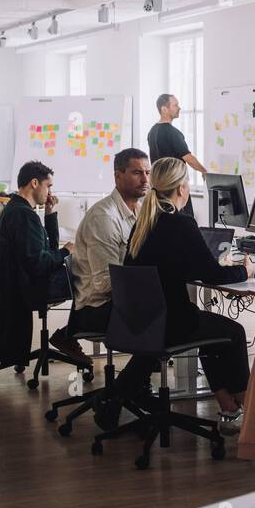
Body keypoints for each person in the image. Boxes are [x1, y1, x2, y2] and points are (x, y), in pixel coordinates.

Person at [120, 157, 251, 434]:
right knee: (234, 333)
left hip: (142, 322)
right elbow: (213, 275)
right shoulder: (181, 223)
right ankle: (248, 409)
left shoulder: (144, 223)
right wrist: (245, 271)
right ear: (181, 188)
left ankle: (229, 409)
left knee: (213, 334)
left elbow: (175, 264)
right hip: (171, 324)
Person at [0, 161, 74, 373]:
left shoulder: (15, 209)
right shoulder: (23, 215)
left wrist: (49, 214)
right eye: (49, 186)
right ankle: (68, 337)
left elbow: (47, 249)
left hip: (14, 286)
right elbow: (40, 262)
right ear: (35, 183)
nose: (50, 193)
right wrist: (67, 252)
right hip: (25, 289)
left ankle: (67, 338)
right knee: (83, 283)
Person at [57, 148, 150, 365]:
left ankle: (138, 380)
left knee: (169, 307)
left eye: (148, 172)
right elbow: (103, 283)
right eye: (137, 173)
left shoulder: (141, 210)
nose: (145, 179)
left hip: (118, 301)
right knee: (164, 314)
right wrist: (147, 282)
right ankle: (133, 385)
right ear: (118, 176)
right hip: (95, 310)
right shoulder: (105, 218)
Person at [146, 93, 206, 218]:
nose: (179, 108)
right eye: (175, 105)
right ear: (164, 109)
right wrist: (204, 171)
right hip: (175, 189)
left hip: (160, 188)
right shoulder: (173, 133)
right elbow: (188, 158)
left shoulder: (152, 131)